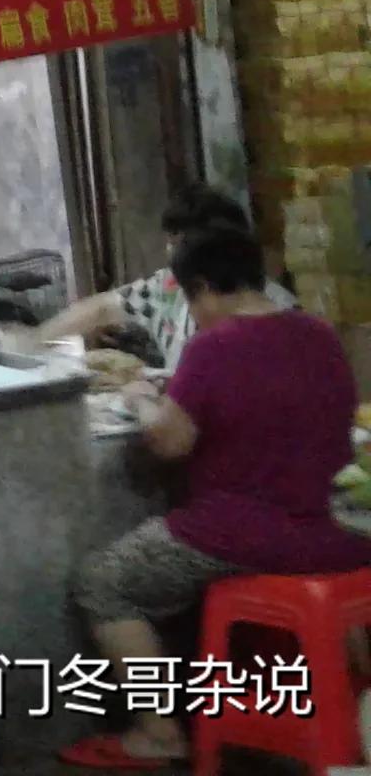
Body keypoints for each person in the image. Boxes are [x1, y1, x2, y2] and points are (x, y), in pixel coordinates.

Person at [63, 225, 371, 771]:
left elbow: (169, 441)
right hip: (335, 529)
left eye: (190, 299)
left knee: (103, 581)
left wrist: (138, 399)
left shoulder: (215, 346)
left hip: (248, 533)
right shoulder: (319, 335)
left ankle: (159, 732)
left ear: (203, 287)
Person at [31, 184, 291, 373]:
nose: (170, 254)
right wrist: (35, 339)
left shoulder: (280, 312)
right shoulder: (168, 287)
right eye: (170, 244)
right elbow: (101, 308)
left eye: (179, 245)